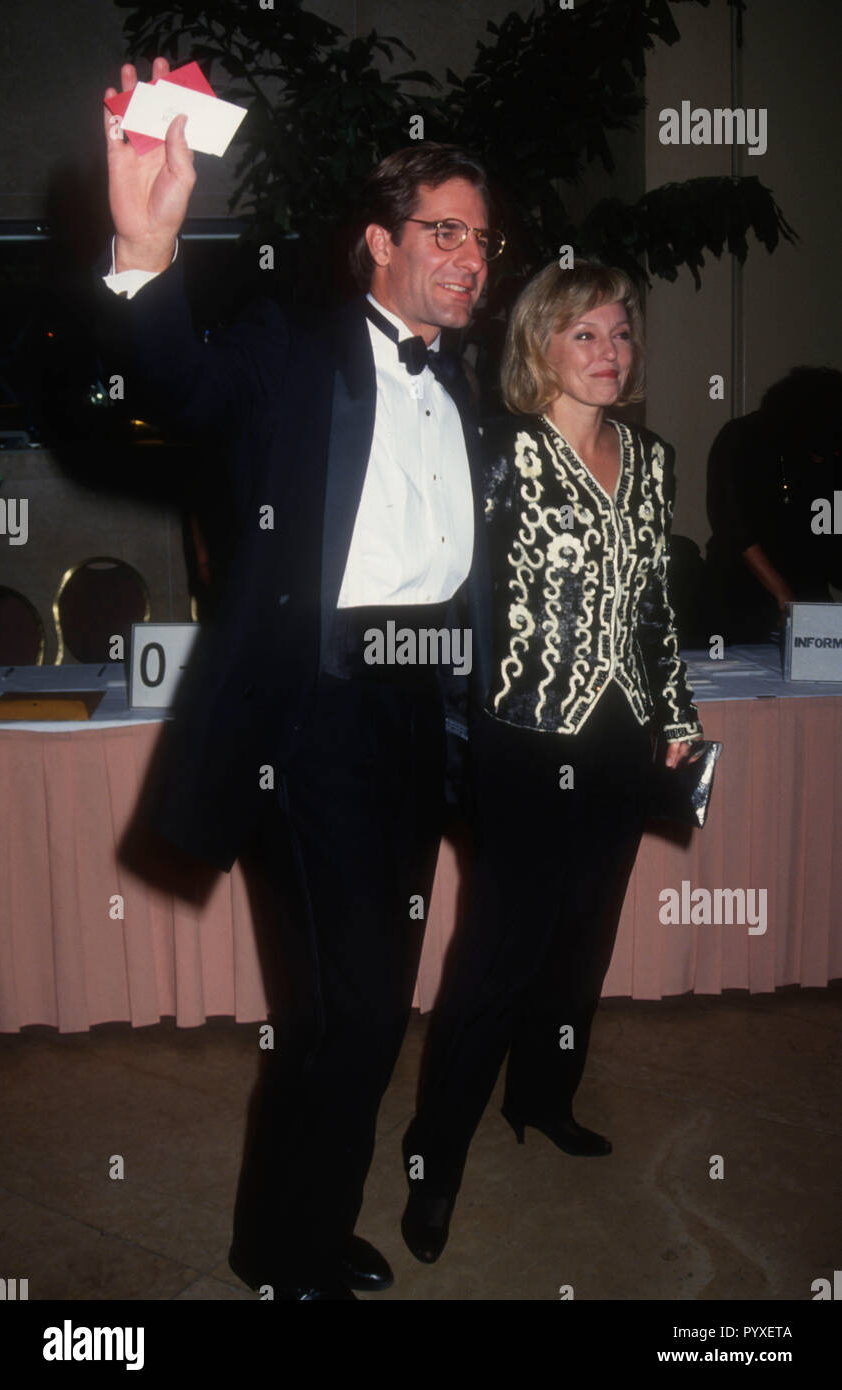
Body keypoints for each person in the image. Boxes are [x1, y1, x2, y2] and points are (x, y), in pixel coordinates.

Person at [96, 55, 504, 1299]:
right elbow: (174, 388)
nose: (473, 257)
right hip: (312, 717)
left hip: (419, 718)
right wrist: (140, 246)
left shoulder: (470, 391)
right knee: (365, 1012)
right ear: (378, 242)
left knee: (345, 1016)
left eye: (486, 241)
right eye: (447, 232)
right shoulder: (293, 343)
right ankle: (289, 1253)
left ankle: (293, 1231)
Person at [401, 259, 704, 1263]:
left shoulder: (654, 459)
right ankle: (431, 1160)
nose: (609, 352)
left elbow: (656, 604)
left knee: (582, 946)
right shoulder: (498, 452)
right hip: (524, 741)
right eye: (586, 334)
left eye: (621, 333)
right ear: (539, 345)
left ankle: (542, 1098)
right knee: (494, 960)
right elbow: (446, 600)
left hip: (619, 744)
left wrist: (675, 714)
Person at [706, 367, 842, 643]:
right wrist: (781, 592)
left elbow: (832, 530)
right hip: (743, 590)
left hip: (806, 588)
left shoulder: (827, 453)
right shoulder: (741, 438)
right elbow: (734, 527)